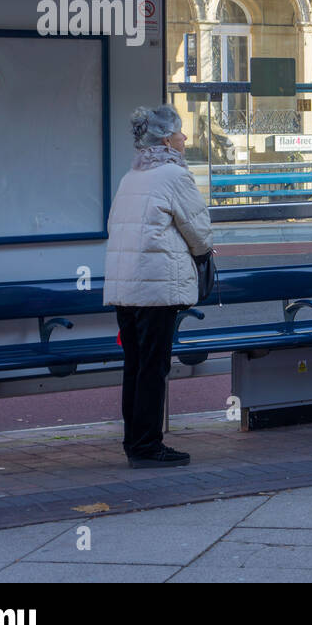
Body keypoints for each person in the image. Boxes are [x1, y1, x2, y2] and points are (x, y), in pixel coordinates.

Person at [103, 105, 213, 468]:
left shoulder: (130, 177)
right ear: (167, 139)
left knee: (135, 366)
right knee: (154, 367)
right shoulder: (173, 176)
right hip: (156, 288)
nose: (185, 139)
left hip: (127, 287)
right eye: (181, 133)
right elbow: (198, 230)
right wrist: (202, 256)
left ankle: (134, 442)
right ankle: (148, 445)